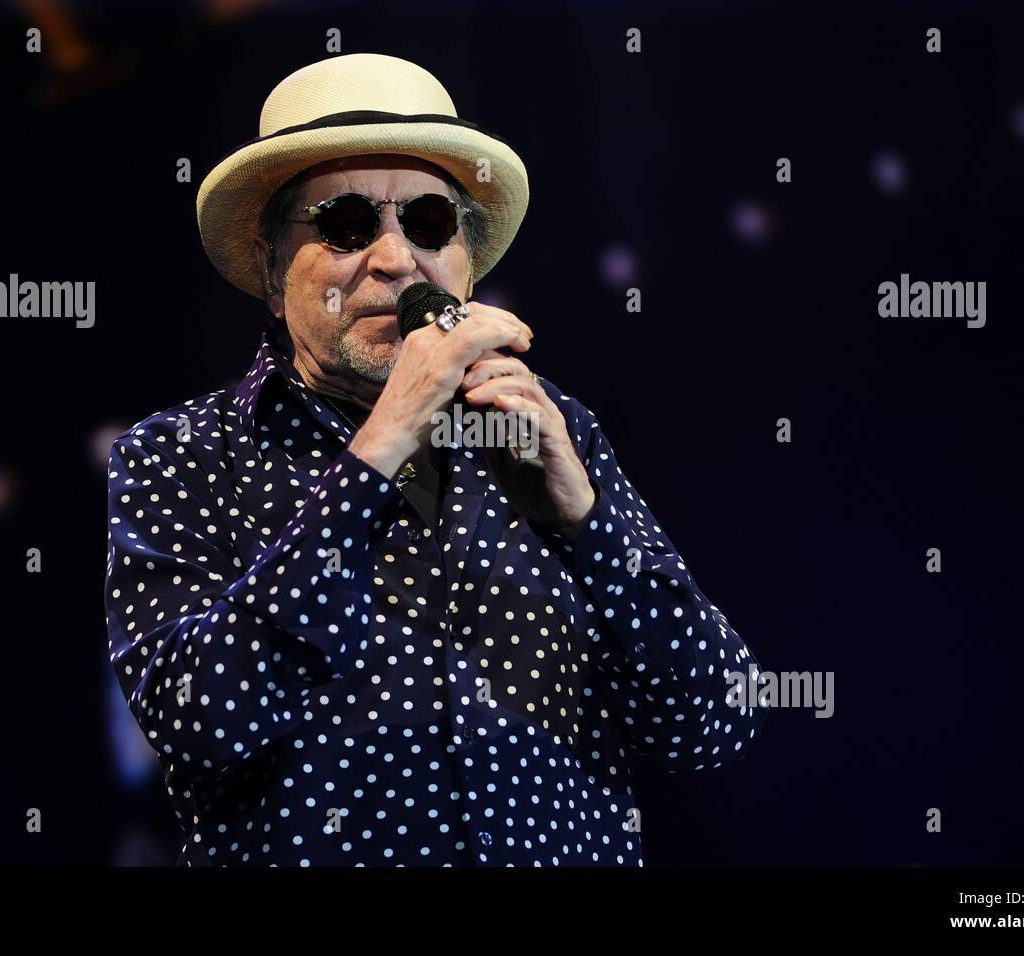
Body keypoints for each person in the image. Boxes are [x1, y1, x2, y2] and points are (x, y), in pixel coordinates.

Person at [105, 52, 766, 867]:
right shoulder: (183, 455)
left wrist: (591, 530)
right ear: (273, 273)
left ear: (463, 263)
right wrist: (380, 445)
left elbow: (716, 721)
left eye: (425, 224)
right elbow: (201, 721)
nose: (394, 259)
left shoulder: (550, 427)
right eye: (346, 224)